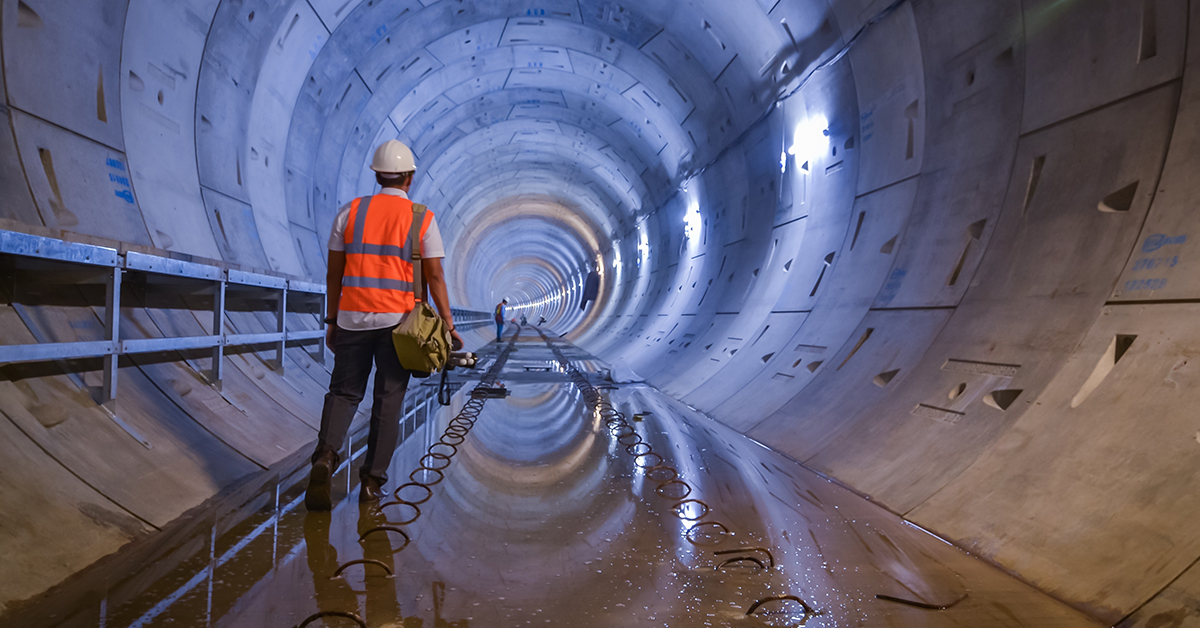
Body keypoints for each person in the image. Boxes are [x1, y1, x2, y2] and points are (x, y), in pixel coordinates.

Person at [305, 139, 464, 510]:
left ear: (377, 175)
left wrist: (332, 319)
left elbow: (334, 273)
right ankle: (371, 484)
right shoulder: (422, 218)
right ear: (409, 177)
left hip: (352, 319)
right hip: (400, 326)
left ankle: (326, 457)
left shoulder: (350, 213)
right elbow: (436, 275)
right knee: (388, 402)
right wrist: (449, 323)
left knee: (344, 394)